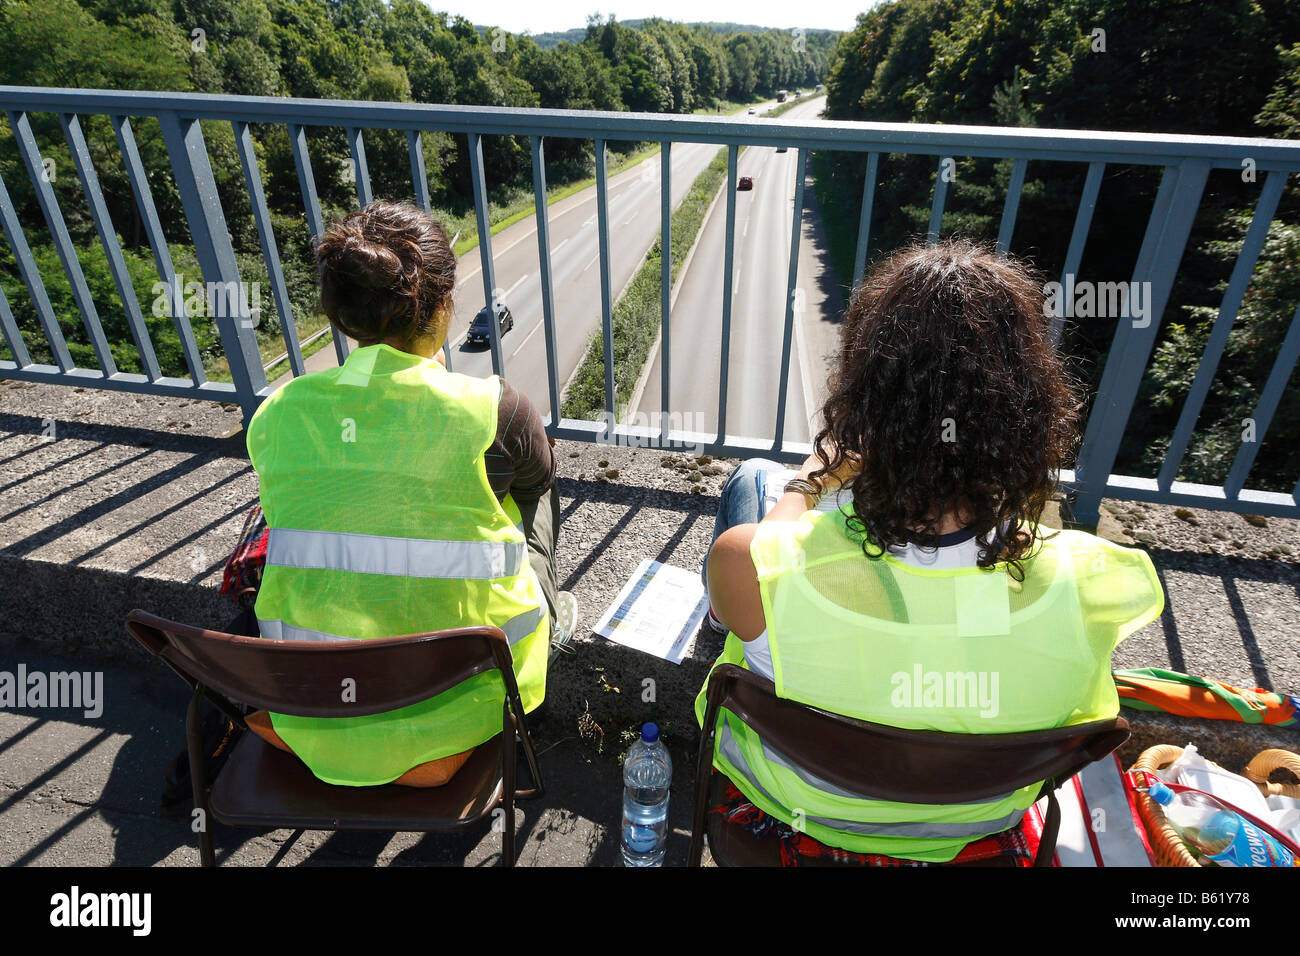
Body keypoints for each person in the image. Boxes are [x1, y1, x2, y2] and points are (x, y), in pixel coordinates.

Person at [696, 238, 1164, 864]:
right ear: (1026, 412)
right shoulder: (1094, 584)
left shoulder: (748, 562)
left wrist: (809, 483)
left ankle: (731, 623)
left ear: (864, 401)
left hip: (784, 816)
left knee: (754, 480)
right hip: (962, 835)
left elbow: (770, 546)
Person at [242, 199, 577, 788]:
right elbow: (535, 479)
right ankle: (552, 611)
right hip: (462, 706)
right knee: (533, 485)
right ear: (443, 306)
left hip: (318, 710)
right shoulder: (495, 408)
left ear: (342, 318)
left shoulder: (280, 412)